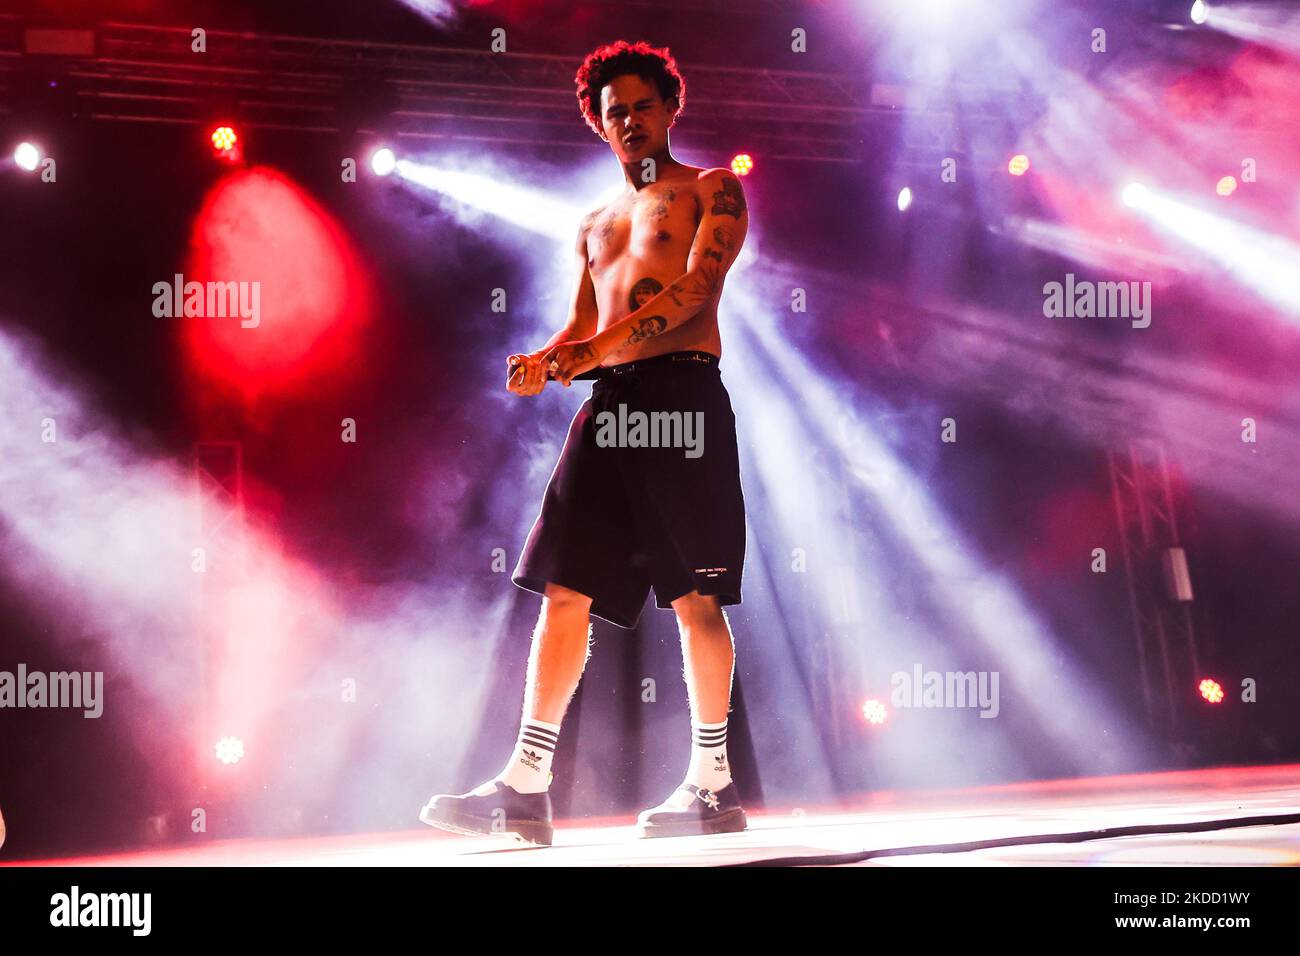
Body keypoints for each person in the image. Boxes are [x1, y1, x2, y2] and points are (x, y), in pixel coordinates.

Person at [421, 39, 750, 846]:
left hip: (681, 397)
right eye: (614, 113)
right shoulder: (594, 221)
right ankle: (527, 787)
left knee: (692, 596)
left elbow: (695, 292)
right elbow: (582, 327)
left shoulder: (714, 189)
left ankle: (712, 784)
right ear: (598, 128)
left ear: (672, 107)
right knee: (564, 587)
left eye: (642, 105)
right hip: (607, 408)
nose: (630, 121)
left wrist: (591, 354)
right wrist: (547, 361)